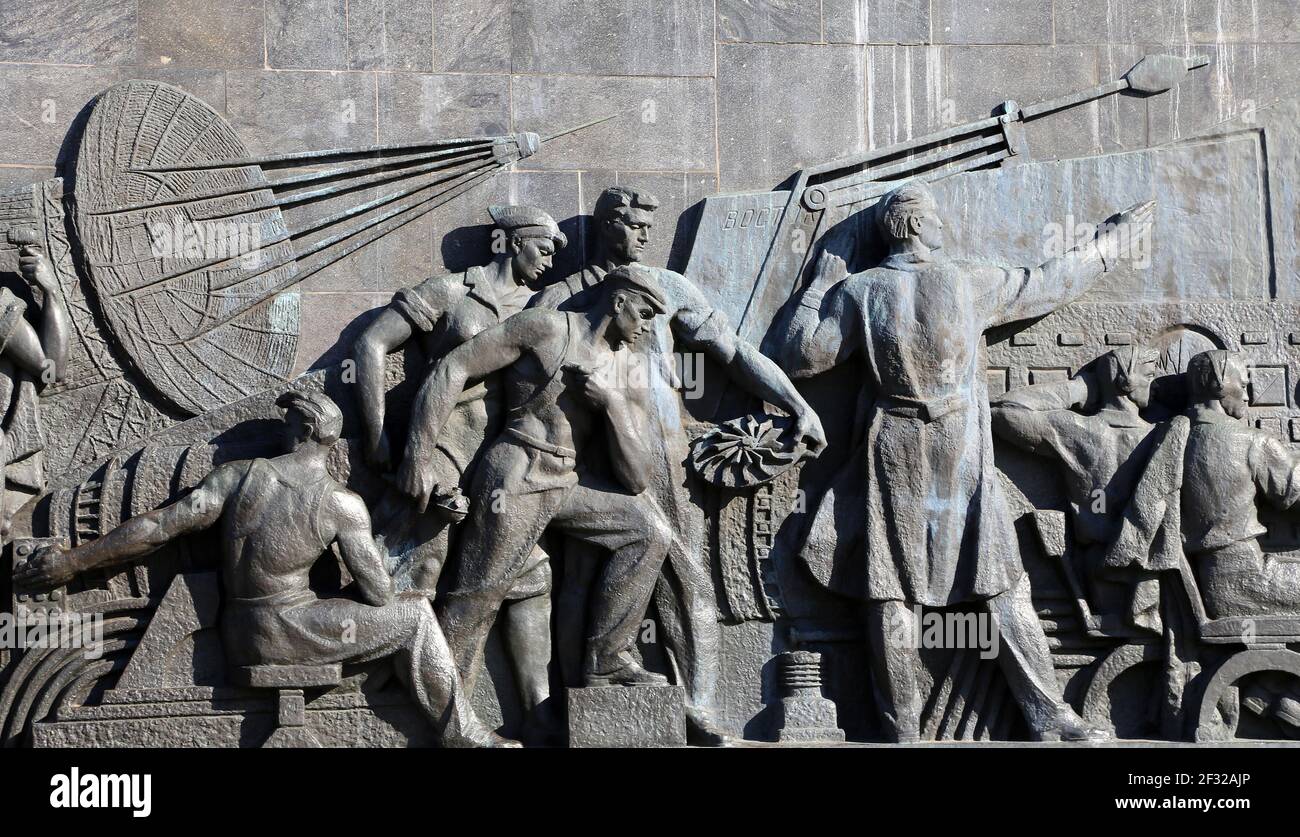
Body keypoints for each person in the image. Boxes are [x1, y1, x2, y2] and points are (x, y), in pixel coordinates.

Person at [779, 181, 1153, 741]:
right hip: (958, 449)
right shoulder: (967, 279)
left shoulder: (859, 289)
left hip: (894, 446)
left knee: (890, 587)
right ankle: (1050, 720)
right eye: (933, 218)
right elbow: (1048, 283)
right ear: (916, 227)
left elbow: (802, 355)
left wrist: (818, 286)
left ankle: (901, 730)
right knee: (1000, 584)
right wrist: (1110, 243)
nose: (941, 227)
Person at [13, 390, 515, 748]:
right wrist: (424, 530)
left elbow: (159, 527)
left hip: (241, 630)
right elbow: (379, 595)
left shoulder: (236, 476)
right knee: (414, 617)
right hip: (291, 630)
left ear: (311, 431)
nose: (284, 428)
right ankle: (464, 737)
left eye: (291, 423)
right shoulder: (341, 504)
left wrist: (73, 562)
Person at [531, 185, 827, 744]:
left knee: (688, 578)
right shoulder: (560, 297)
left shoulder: (668, 287)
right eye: (631, 225)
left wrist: (795, 403)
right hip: (581, 450)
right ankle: (569, 699)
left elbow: (732, 350)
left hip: (662, 449)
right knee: (579, 578)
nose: (644, 237)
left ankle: (699, 705)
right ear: (604, 226)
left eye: (649, 227)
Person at [399, 264, 675, 691]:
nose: (646, 326)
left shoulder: (627, 370)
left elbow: (636, 478)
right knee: (476, 597)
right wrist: (417, 454)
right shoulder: (544, 328)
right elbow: (452, 369)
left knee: (648, 531)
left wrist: (613, 405)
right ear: (619, 301)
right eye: (644, 313)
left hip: (566, 482)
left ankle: (606, 659)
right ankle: (446, 713)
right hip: (517, 473)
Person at [353, 205, 564, 729]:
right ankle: (400, 706)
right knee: (418, 572)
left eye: (557, 254)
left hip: (503, 461)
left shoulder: (542, 310)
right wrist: (382, 435)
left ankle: (536, 715)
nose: (548, 262)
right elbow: (372, 343)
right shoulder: (451, 293)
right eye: (542, 248)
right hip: (441, 451)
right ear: (511, 242)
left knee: (531, 573)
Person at [992, 345, 1163, 630]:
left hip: (1098, 571)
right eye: (1148, 375)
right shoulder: (1162, 438)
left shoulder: (1077, 432)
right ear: (1125, 380)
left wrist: (1079, 389)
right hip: (1151, 577)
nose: (1154, 385)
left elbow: (1004, 409)